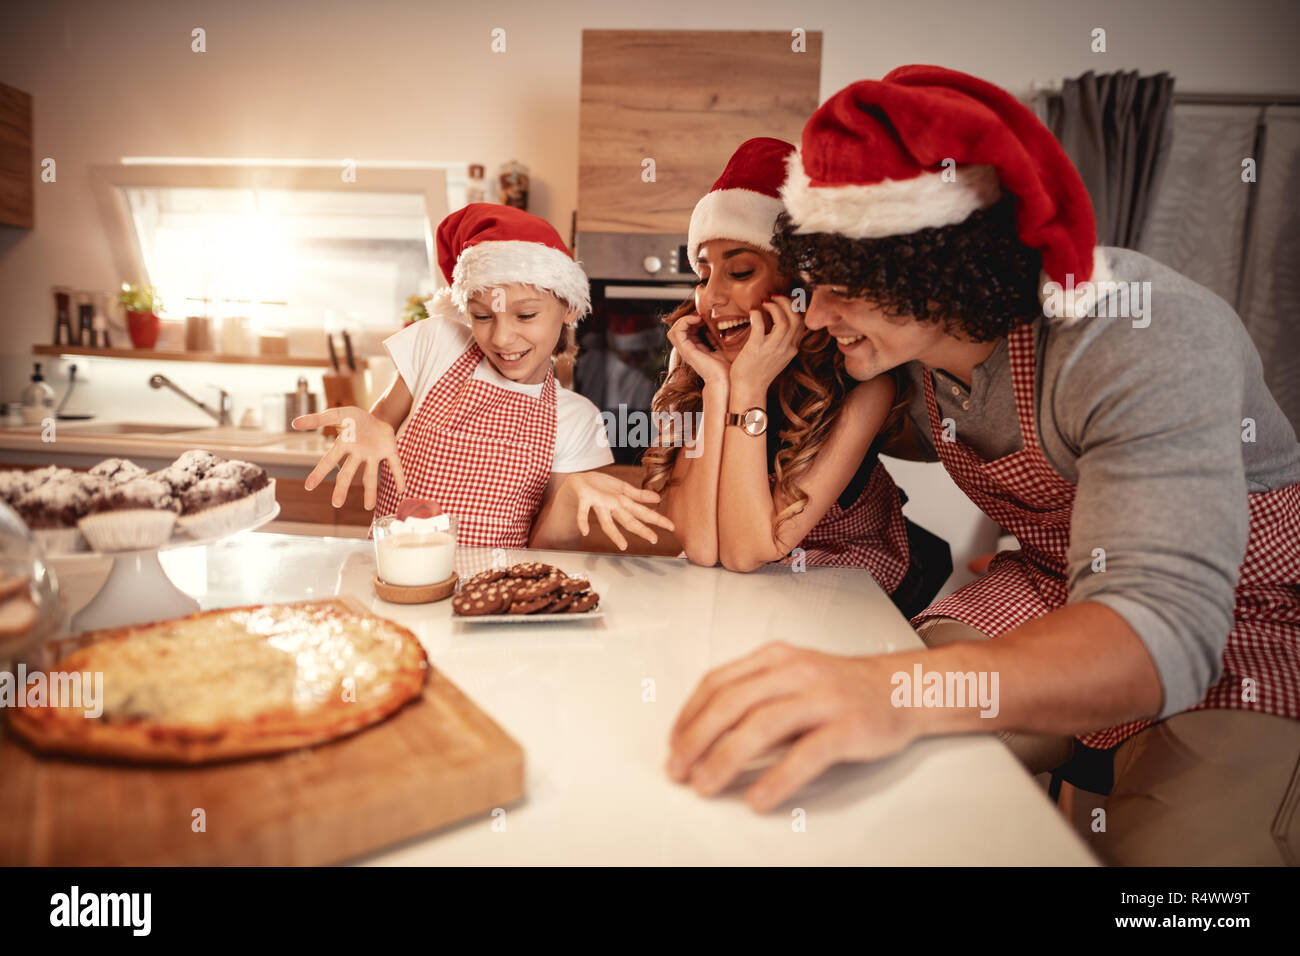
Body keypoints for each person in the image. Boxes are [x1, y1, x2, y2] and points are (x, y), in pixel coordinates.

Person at [666, 66, 1300, 866]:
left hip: (1245, 621)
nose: (816, 314)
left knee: (1177, 875)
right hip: (1043, 585)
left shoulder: (1140, 333)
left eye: (839, 288)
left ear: (927, 268)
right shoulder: (916, 367)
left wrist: (894, 692)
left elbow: (1159, 639)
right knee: (883, 791)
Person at [644, 137, 949, 615]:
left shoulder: (864, 386)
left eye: (740, 272)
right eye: (703, 275)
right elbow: (701, 545)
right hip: (743, 576)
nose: (711, 298)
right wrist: (718, 387)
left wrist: (748, 388)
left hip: (845, 578)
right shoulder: (702, 363)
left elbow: (748, 550)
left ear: (798, 284)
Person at [293, 204, 673, 552]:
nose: (502, 338)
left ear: (569, 308)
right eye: (482, 316)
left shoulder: (576, 418)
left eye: (525, 316)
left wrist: (573, 495)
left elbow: (545, 546)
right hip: (397, 577)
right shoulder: (438, 343)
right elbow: (376, 431)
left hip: (494, 600)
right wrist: (365, 430)